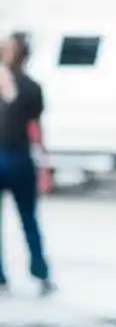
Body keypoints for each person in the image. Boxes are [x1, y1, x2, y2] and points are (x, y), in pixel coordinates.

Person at [0, 32, 54, 297]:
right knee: (29, 218)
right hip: (21, 156)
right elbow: (36, 128)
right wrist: (44, 163)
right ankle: (40, 270)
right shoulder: (33, 87)